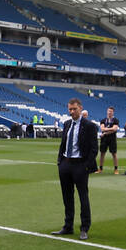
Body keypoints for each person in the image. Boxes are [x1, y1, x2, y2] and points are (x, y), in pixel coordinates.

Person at [51, 98, 97, 240]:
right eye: (70, 109)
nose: (72, 112)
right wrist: (60, 161)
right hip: (66, 164)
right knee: (67, 197)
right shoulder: (67, 124)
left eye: (74, 109)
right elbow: (63, 144)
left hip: (80, 165)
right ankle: (68, 226)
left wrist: (86, 166)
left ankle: (84, 228)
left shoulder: (89, 126)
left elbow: (94, 148)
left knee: (83, 196)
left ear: (80, 108)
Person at [98, 106, 120, 174]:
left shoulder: (115, 120)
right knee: (102, 153)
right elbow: (102, 129)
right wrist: (110, 129)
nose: (109, 112)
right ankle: (100, 168)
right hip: (104, 139)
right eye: (108, 111)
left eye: (111, 111)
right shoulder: (103, 120)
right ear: (107, 111)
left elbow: (115, 129)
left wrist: (105, 133)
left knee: (114, 154)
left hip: (112, 139)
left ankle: (116, 169)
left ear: (113, 112)